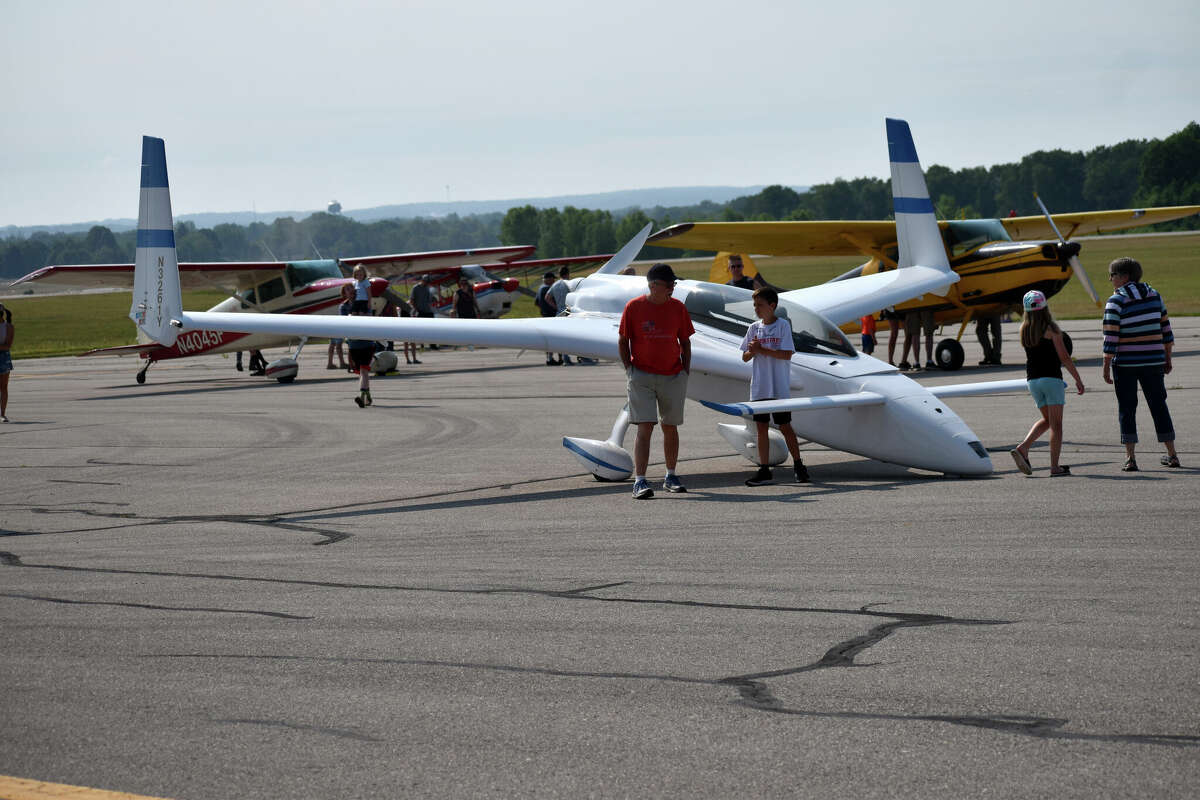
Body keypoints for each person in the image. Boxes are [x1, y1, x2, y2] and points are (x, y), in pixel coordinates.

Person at [618, 263, 695, 499]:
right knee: (645, 426)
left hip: (672, 375)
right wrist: (630, 369)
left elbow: (686, 342)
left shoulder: (678, 308)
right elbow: (623, 341)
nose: (672, 286)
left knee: (670, 426)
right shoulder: (634, 307)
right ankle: (640, 481)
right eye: (668, 283)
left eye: (673, 283)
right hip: (641, 375)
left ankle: (670, 475)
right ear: (653, 285)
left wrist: (685, 371)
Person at [1101, 257, 1180, 471]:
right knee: (1159, 405)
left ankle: (1130, 458)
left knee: (1127, 408)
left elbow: (1111, 337)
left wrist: (1106, 366)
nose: (1110, 279)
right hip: (1154, 360)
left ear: (1124, 277)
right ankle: (1172, 454)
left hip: (1125, 363)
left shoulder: (1116, 301)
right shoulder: (1155, 296)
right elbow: (1166, 330)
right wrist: (1168, 358)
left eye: (1112, 275)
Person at [1010, 290, 1084, 477]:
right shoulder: (1052, 329)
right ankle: (1054, 467)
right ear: (1045, 308)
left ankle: (1023, 448)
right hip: (1051, 380)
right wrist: (1078, 379)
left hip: (1033, 381)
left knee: (1048, 420)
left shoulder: (1024, 329)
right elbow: (1064, 358)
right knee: (1057, 425)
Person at [740, 287, 810, 486]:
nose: (757, 309)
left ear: (772, 306)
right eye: (755, 305)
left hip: (778, 387)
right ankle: (764, 468)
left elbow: (786, 354)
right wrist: (753, 351)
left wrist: (762, 349)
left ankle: (799, 465)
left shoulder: (782, 326)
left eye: (760, 305)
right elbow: (745, 356)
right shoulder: (754, 328)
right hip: (760, 387)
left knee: (784, 425)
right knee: (761, 427)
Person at [347, 295, 376, 408]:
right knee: (363, 372)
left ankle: (364, 395)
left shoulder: (349, 316)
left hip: (355, 347)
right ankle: (365, 395)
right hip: (366, 347)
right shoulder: (368, 316)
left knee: (362, 372)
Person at [549, 266, 574, 364]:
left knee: (562, 338)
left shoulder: (554, 285)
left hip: (559, 312)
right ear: (567, 274)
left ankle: (564, 357)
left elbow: (547, 297)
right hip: (568, 312)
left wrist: (555, 306)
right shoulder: (569, 284)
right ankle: (577, 357)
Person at [534, 271, 559, 365]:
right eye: (552, 279)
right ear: (548, 279)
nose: (553, 281)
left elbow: (536, 303)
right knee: (553, 338)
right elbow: (553, 301)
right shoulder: (548, 289)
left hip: (544, 316)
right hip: (551, 315)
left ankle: (549, 357)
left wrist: (543, 310)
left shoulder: (540, 288)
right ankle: (552, 358)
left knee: (548, 338)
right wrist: (556, 308)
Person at [328, 283, 353, 370]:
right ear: (344, 293)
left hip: (342, 326)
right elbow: (343, 318)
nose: (350, 290)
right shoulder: (343, 305)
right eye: (347, 289)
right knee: (336, 344)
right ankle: (335, 363)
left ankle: (335, 363)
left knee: (336, 344)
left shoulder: (354, 303)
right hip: (339, 326)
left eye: (351, 288)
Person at [0, 303, 14, 423]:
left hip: (3, 358)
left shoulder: (8, 327)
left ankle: (2, 414)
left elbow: (7, 346)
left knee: (3, 387)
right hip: (3, 355)